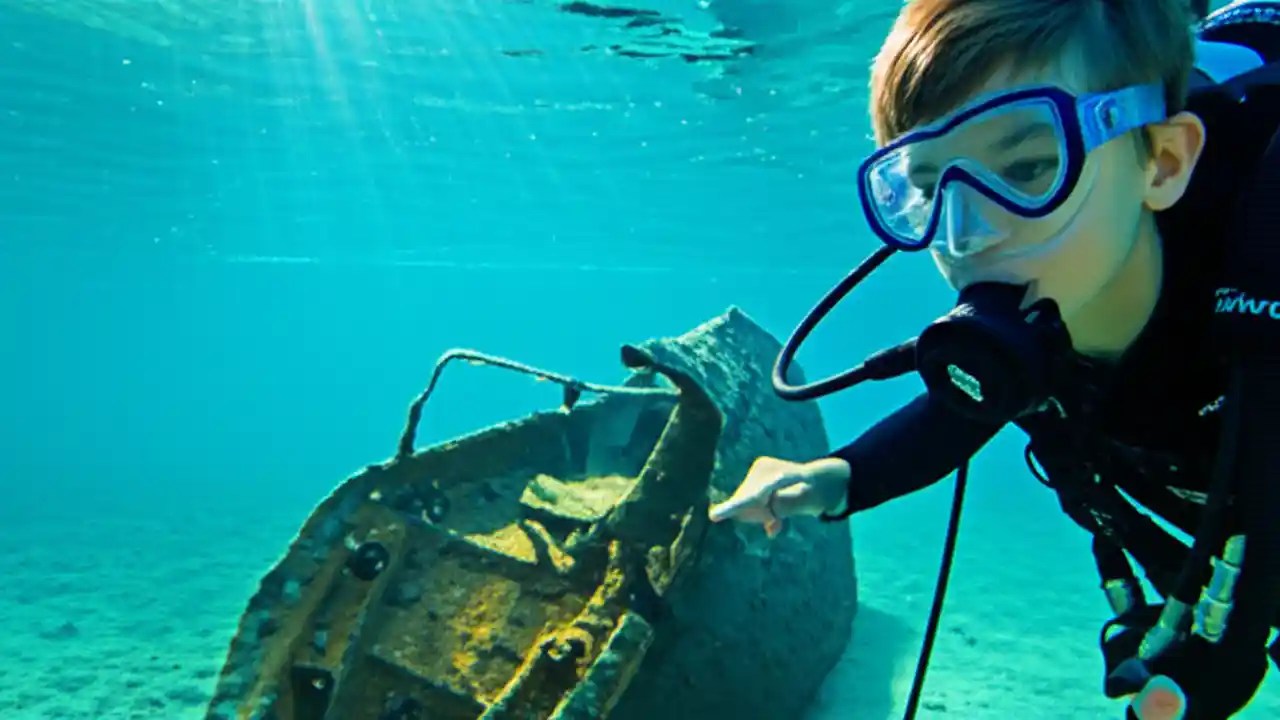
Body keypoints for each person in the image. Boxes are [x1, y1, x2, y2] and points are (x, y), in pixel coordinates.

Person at [709, 1, 1280, 719]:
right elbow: (980, 398)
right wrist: (834, 478)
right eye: (925, 187)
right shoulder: (1053, 310)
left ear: (1163, 163)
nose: (971, 232)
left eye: (1030, 166)